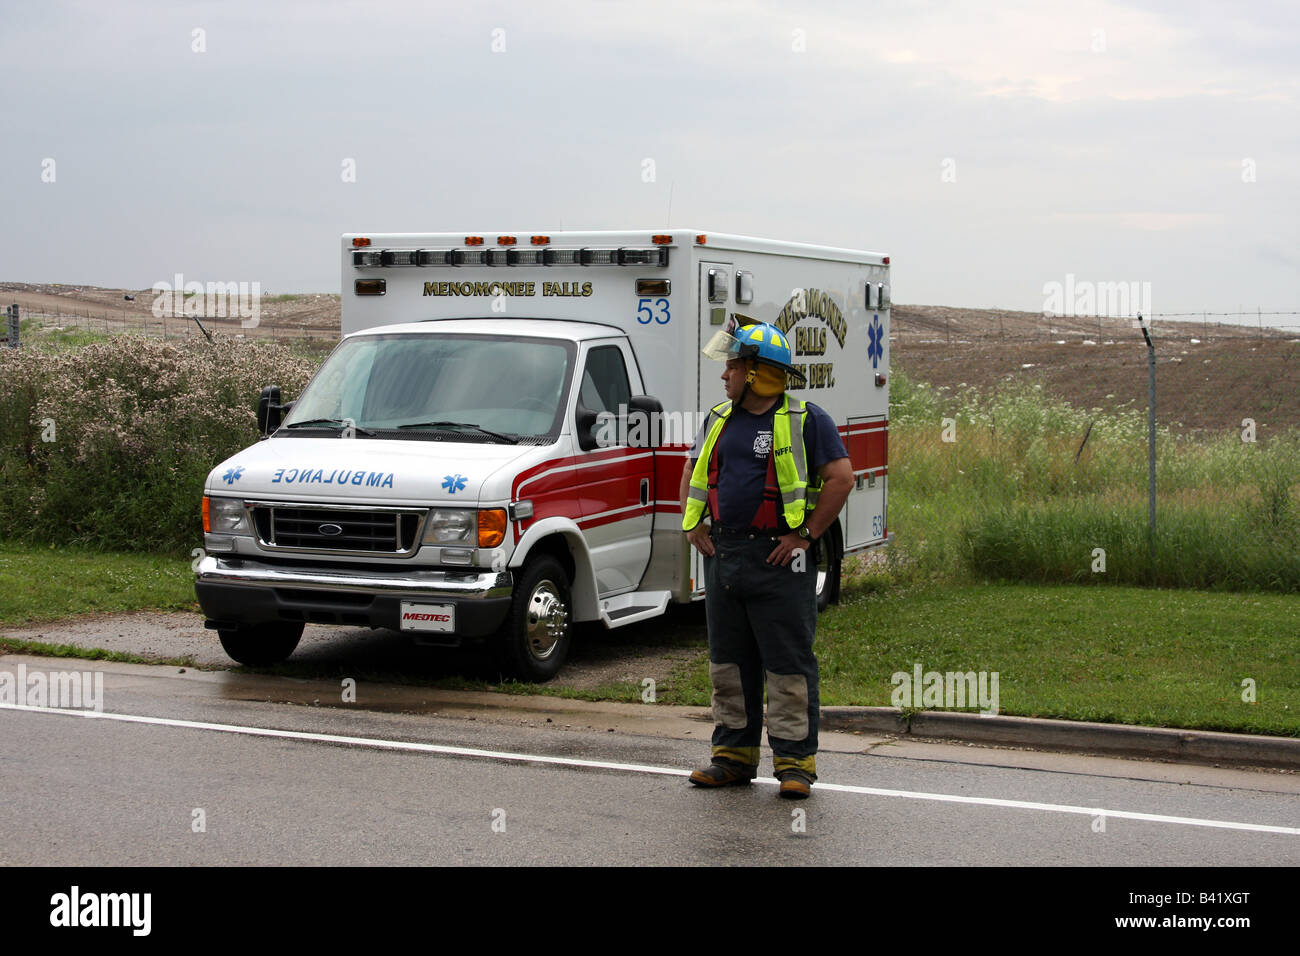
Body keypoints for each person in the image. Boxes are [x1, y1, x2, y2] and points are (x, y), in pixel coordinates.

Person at [680, 316, 853, 799]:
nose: (724, 376)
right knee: (728, 663)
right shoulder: (718, 418)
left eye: (732, 367)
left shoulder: (807, 419)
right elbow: (692, 468)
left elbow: (841, 478)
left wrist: (805, 535)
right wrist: (692, 523)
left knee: (787, 664)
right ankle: (731, 757)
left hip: (781, 560)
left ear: (757, 373)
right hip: (725, 556)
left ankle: (795, 764)